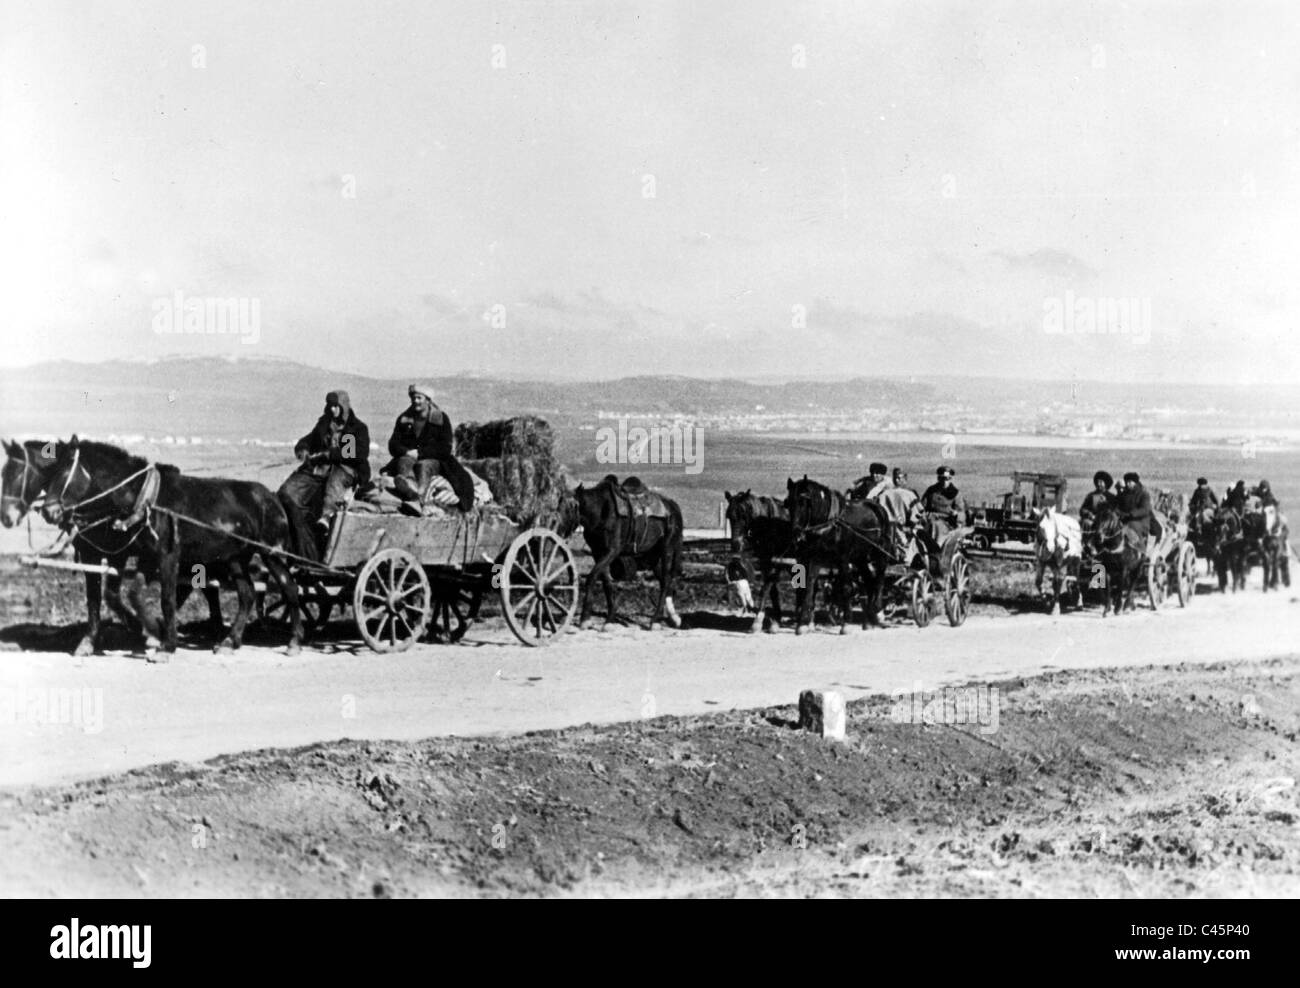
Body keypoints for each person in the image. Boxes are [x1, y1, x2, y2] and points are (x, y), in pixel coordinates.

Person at [278, 390, 370, 560]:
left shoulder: (354, 428)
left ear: (344, 407)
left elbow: (351, 454)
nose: (333, 410)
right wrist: (303, 449)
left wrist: (328, 455)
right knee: (289, 490)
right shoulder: (324, 424)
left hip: (346, 468)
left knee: (334, 484)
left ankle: (327, 518)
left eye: (337, 406)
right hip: (320, 469)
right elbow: (309, 439)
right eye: (331, 406)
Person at [382, 383, 475, 513]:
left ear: (428, 400)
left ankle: (419, 497)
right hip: (409, 457)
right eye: (413, 398)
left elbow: (445, 448)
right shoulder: (404, 419)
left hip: (435, 460)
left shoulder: (441, 419)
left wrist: (420, 453)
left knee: (423, 466)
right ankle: (410, 491)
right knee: (403, 462)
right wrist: (407, 452)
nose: (415, 401)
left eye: (419, 398)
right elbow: (393, 444)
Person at [920, 465, 967, 541]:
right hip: (930, 520)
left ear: (951, 479)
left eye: (947, 479)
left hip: (947, 523)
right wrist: (922, 515)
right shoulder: (931, 490)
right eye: (943, 479)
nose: (945, 482)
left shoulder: (955, 493)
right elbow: (922, 506)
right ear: (938, 478)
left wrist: (956, 514)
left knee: (937, 527)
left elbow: (962, 513)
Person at [1115, 471, 1157, 546]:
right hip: (1125, 519)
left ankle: (1140, 549)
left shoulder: (1143, 494)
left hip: (1140, 520)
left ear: (1135, 482)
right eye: (1126, 482)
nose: (1127, 484)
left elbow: (1145, 509)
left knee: (1132, 526)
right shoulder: (1124, 494)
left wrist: (1132, 514)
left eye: (1130, 482)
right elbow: (1118, 505)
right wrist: (1117, 511)